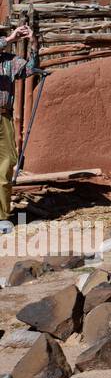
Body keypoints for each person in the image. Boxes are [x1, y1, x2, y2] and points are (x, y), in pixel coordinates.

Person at [0, 24, 36, 235]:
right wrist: (12, 38)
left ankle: (2, 216)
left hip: (2, 118)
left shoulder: (10, 63)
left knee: (4, 168)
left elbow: (31, 68)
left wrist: (32, 42)